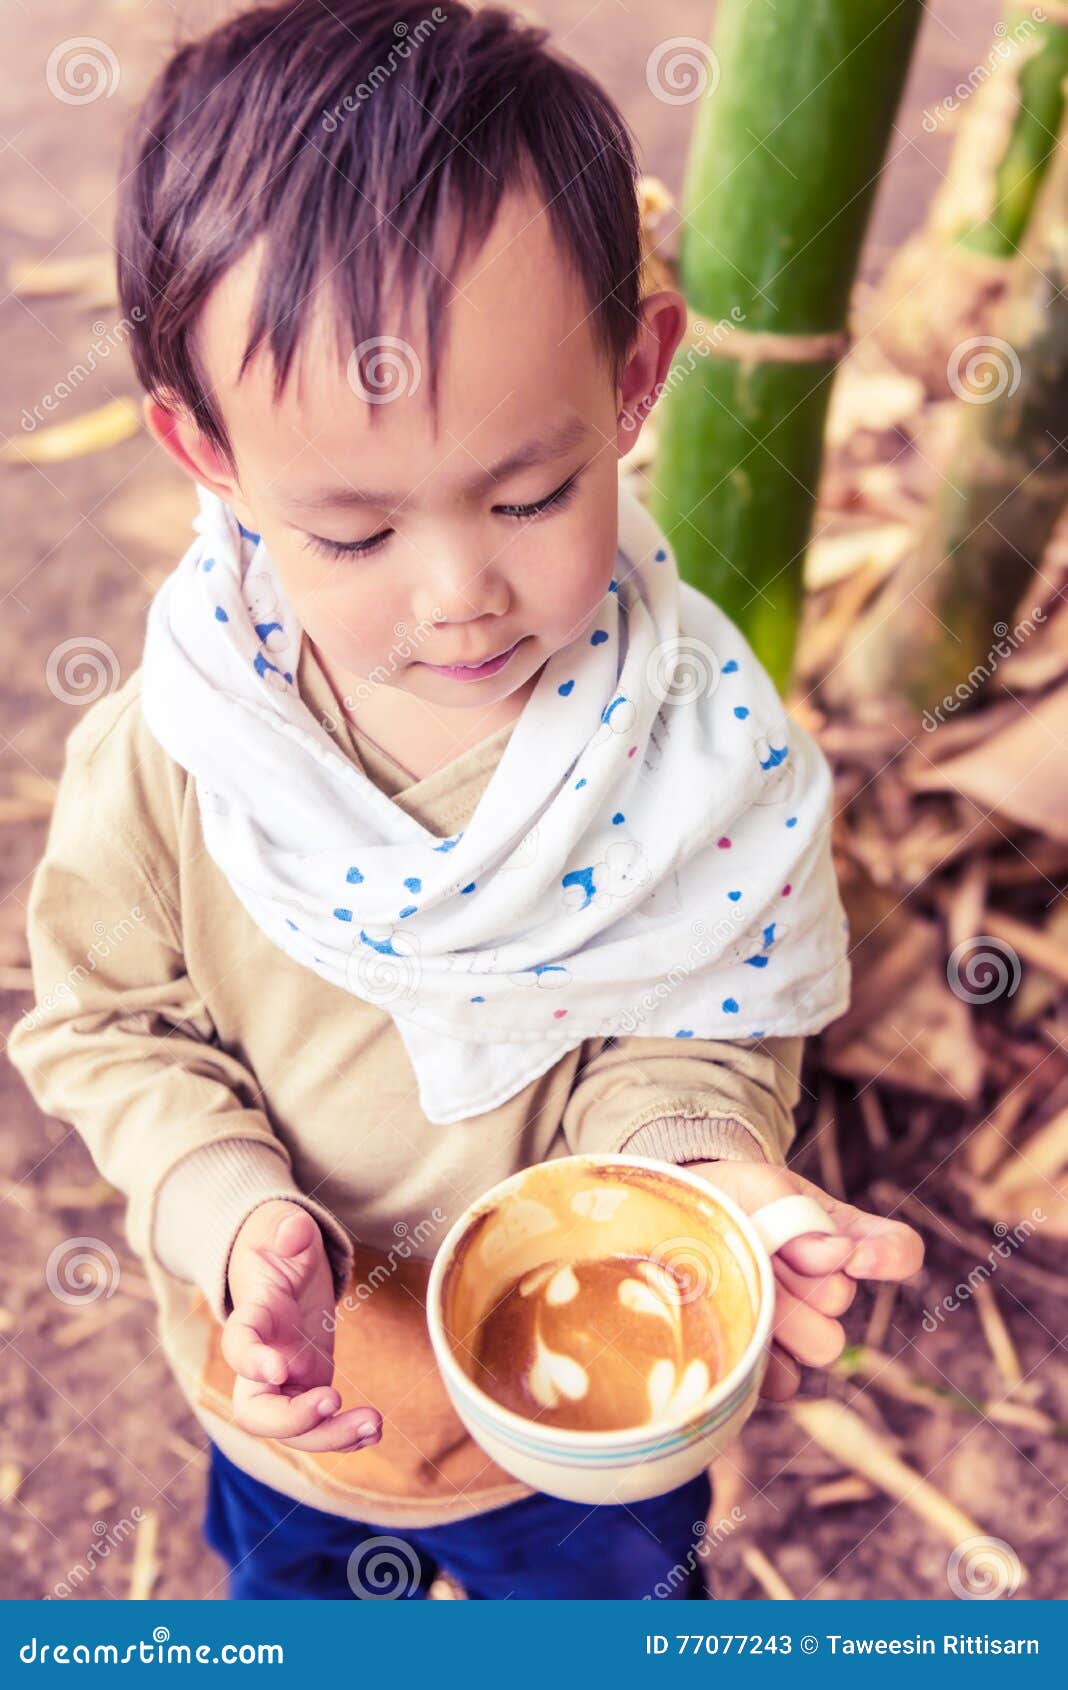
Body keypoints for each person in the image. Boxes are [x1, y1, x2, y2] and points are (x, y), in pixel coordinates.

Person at [8, 0, 922, 1601]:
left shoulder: (695, 752)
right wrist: (231, 1217)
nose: (458, 597)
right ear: (202, 448)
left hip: (592, 1422)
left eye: (530, 493)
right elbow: (109, 1024)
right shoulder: (174, 752)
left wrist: (701, 1173)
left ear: (636, 380)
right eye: (354, 533)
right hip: (305, 1404)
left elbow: (698, 1019)